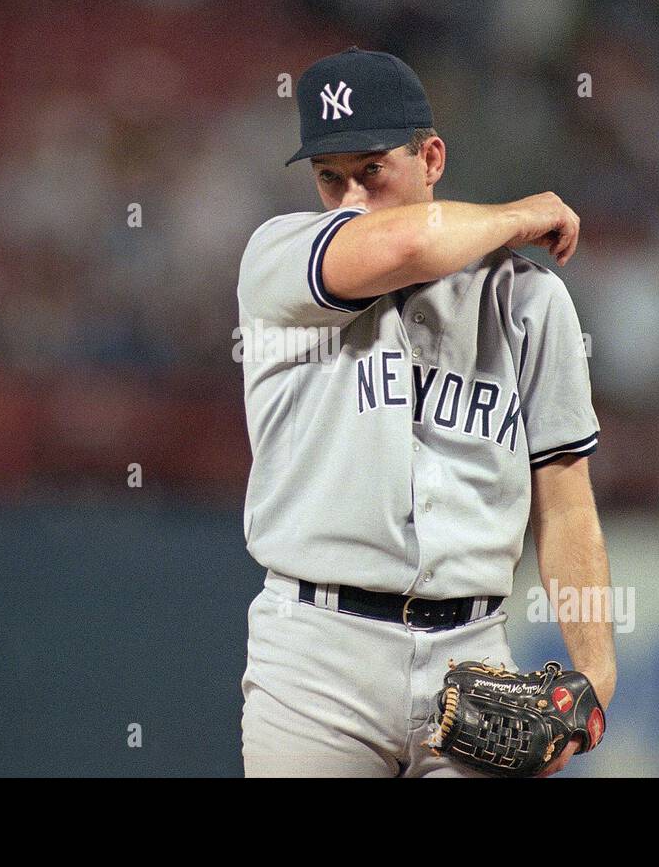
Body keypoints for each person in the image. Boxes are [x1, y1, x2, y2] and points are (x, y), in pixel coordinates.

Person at [236, 47, 615, 777]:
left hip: (473, 657)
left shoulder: (527, 301)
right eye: (330, 177)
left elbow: (566, 505)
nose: (349, 198)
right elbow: (409, 240)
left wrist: (595, 681)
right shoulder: (278, 258)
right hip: (315, 657)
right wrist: (524, 212)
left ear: (431, 157)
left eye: (372, 171)